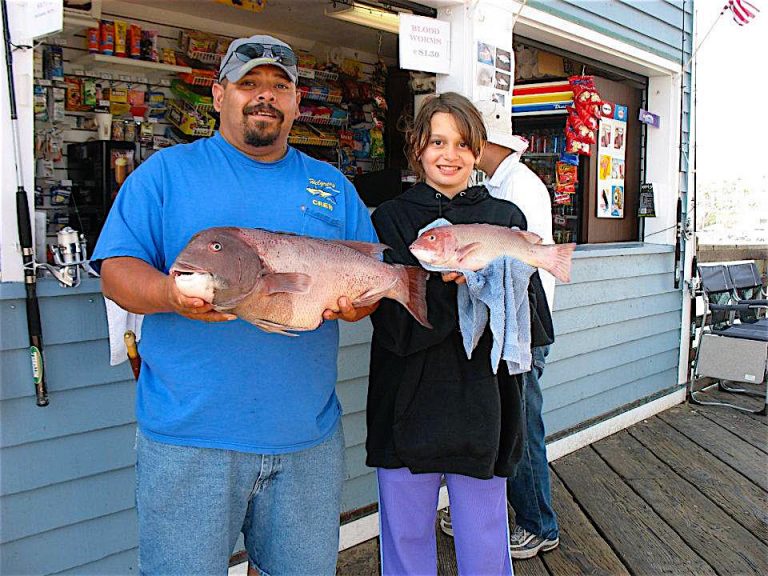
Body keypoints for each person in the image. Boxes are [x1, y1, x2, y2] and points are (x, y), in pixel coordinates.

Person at [91, 34, 378, 576]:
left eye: (279, 86)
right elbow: (116, 272)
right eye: (249, 84)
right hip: (189, 440)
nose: (264, 96)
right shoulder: (165, 173)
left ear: (296, 101)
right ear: (219, 95)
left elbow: (367, 278)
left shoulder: (331, 187)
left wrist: (363, 305)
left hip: (306, 440)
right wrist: (170, 296)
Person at [366, 92, 554, 575]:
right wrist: (453, 293)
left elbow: (523, 325)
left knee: (486, 535)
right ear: (417, 148)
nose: (449, 155)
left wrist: (490, 285)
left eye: (461, 143)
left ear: (477, 150)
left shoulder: (506, 219)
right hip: (406, 394)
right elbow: (391, 322)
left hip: (484, 399)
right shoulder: (389, 218)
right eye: (436, 142)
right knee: (406, 536)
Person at [439, 128, 561, 560]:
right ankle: (480, 508)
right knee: (499, 419)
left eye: (468, 143)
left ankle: (538, 524)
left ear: (487, 145)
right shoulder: (496, 185)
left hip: (524, 326)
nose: (461, 152)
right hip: (510, 325)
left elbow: (518, 261)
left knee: (521, 425)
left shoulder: (518, 187)